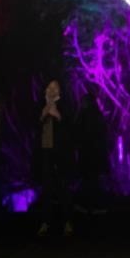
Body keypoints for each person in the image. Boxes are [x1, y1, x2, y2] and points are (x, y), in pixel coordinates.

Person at [35, 80, 75, 237]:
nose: (51, 89)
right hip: (45, 154)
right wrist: (45, 112)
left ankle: (67, 222)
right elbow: (34, 125)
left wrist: (57, 114)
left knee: (64, 189)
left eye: (54, 87)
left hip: (62, 155)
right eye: (49, 86)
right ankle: (45, 222)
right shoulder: (39, 104)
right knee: (46, 189)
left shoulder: (66, 105)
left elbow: (71, 127)